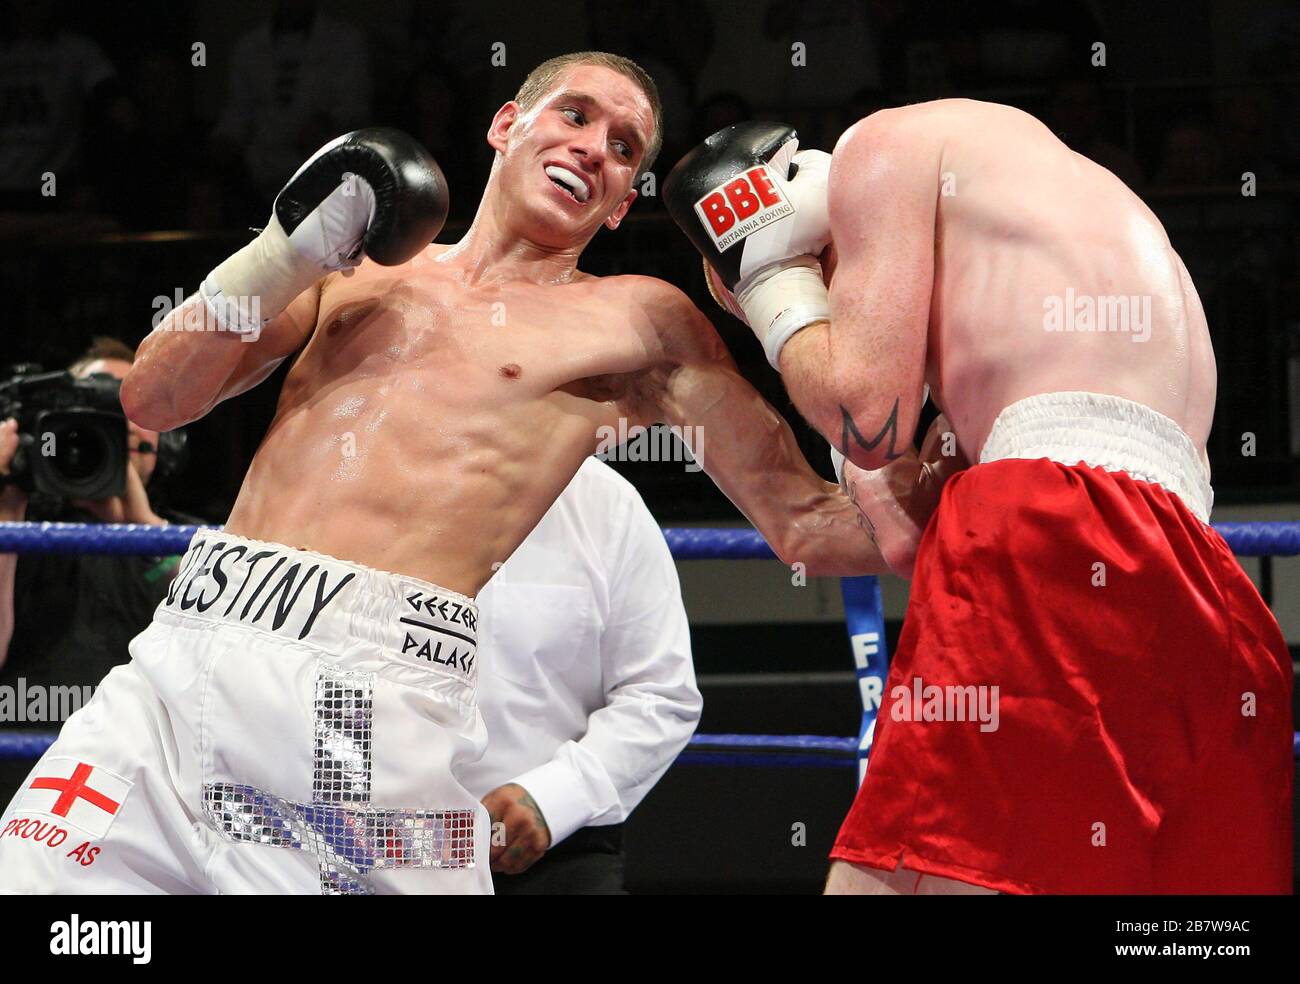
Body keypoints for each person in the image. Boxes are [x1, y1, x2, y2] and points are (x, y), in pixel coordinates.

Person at [0, 51, 937, 895]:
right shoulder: (355, 266)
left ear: (621, 206)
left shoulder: (641, 320)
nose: (594, 147)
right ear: (506, 124)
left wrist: (971, 449)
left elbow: (812, 529)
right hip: (193, 647)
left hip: (364, 699)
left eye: (624, 148)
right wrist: (284, 248)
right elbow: (157, 397)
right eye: (573, 115)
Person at [666, 101, 1292, 894]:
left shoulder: (881, 146)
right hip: (1212, 601)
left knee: (906, 877)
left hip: (1051, 529)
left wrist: (771, 286)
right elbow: (901, 538)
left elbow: (863, 414)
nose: (840, 317)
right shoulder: (1050, 239)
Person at [467, 456, 699, 894]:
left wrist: (556, 796)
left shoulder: (603, 503)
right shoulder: (352, 486)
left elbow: (662, 694)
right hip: (368, 844)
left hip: (556, 850)